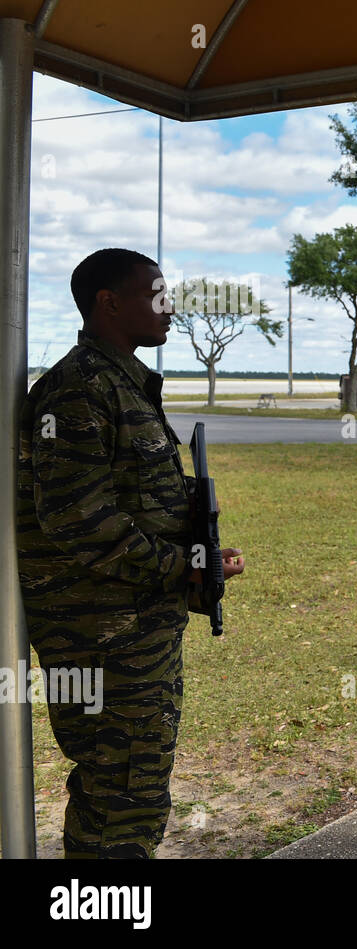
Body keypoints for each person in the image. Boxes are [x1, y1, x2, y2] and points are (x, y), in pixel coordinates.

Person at [17, 248, 246, 858]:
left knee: (129, 791)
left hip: (134, 629)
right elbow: (77, 520)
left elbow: (134, 506)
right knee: (119, 795)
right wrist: (182, 565)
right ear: (108, 302)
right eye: (156, 293)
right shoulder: (78, 391)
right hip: (98, 635)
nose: (170, 308)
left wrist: (200, 552)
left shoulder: (120, 383)